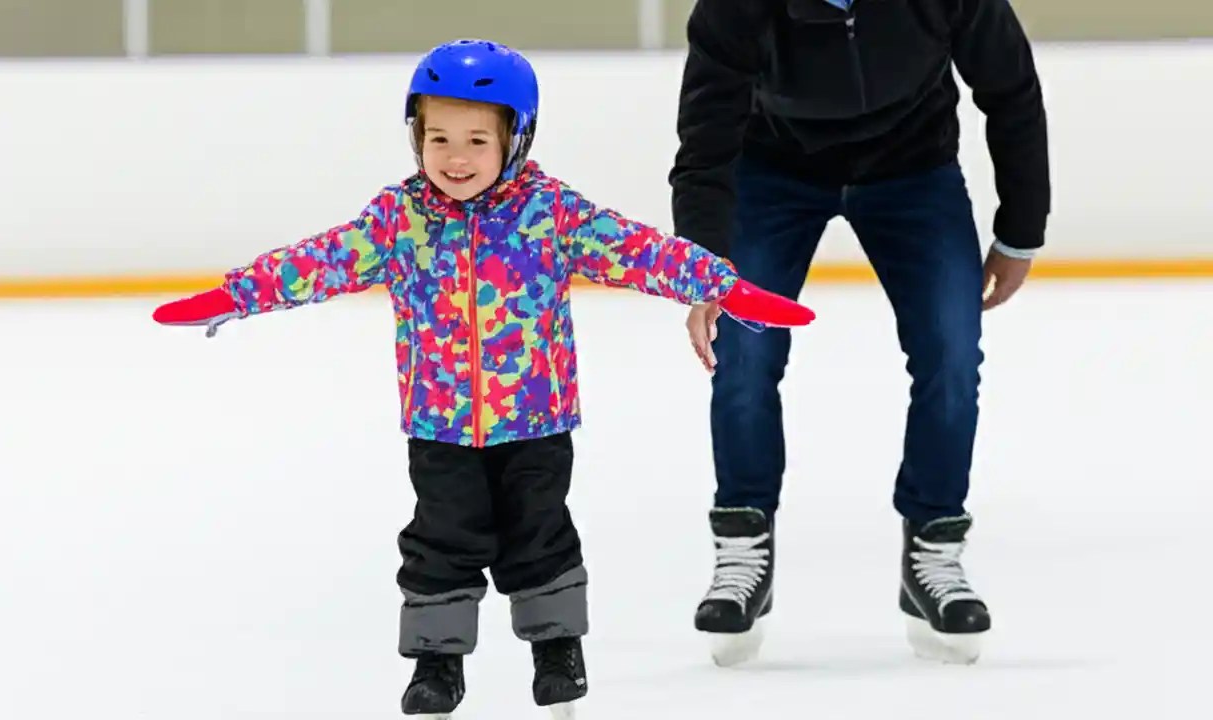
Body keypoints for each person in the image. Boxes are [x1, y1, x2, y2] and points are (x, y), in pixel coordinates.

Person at [152, 39, 815, 717]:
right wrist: (232, 296)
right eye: (437, 137)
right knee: (442, 541)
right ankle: (437, 663)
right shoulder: (399, 220)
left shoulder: (550, 213)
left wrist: (727, 288)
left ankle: (557, 650)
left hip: (537, 421)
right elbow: (316, 262)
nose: (455, 158)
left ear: (515, 140)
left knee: (541, 536)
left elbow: (641, 252)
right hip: (440, 426)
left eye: (475, 139)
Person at [669, 0, 1050, 666]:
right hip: (774, 168)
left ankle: (934, 541)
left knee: (951, 351)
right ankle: (742, 538)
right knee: (746, 351)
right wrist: (704, 262)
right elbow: (705, 134)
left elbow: (1010, 89)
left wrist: (1021, 229)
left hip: (912, 168)